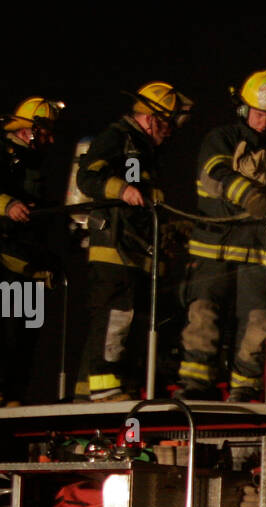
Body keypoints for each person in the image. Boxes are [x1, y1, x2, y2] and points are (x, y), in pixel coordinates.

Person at [176, 70, 266, 402]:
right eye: (258, 114)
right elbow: (215, 174)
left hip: (260, 250)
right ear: (242, 109)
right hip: (215, 247)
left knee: (258, 323)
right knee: (203, 316)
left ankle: (244, 386)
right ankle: (197, 385)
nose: (264, 122)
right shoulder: (220, 139)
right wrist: (252, 196)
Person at [75, 82, 192, 401]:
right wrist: (122, 190)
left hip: (136, 248)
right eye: (167, 123)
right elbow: (87, 177)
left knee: (129, 318)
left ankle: (88, 393)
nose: (169, 132)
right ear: (152, 117)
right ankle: (103, 387)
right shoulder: (116, 137)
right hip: (113, 244)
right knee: (115, 314)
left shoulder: (145, 150)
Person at [0, 97, 63, 407]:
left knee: (20, 335)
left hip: (21, 262)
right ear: (27, 131)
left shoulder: (33, 166)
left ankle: (12, 397)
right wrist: (8, 205)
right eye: (45, 133)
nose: (50, 140)